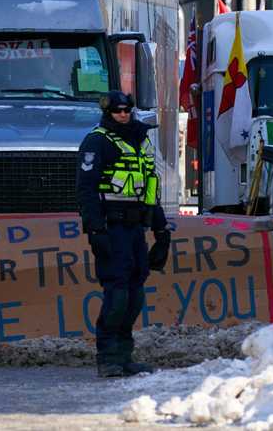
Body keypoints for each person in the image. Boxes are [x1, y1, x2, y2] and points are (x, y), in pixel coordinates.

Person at [76, 91, 169, 378]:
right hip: (111, 227)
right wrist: (95, 229)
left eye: (127, 110)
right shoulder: (97, 141)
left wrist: (161, 228)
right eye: (117, 111)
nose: (124, 115)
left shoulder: (140, 140)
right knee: (116, 294)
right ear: (108, 113)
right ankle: (108, 357)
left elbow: (150, 186)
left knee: (135, 293)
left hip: (135, 227)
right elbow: (86, 190)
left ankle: (125, 356)